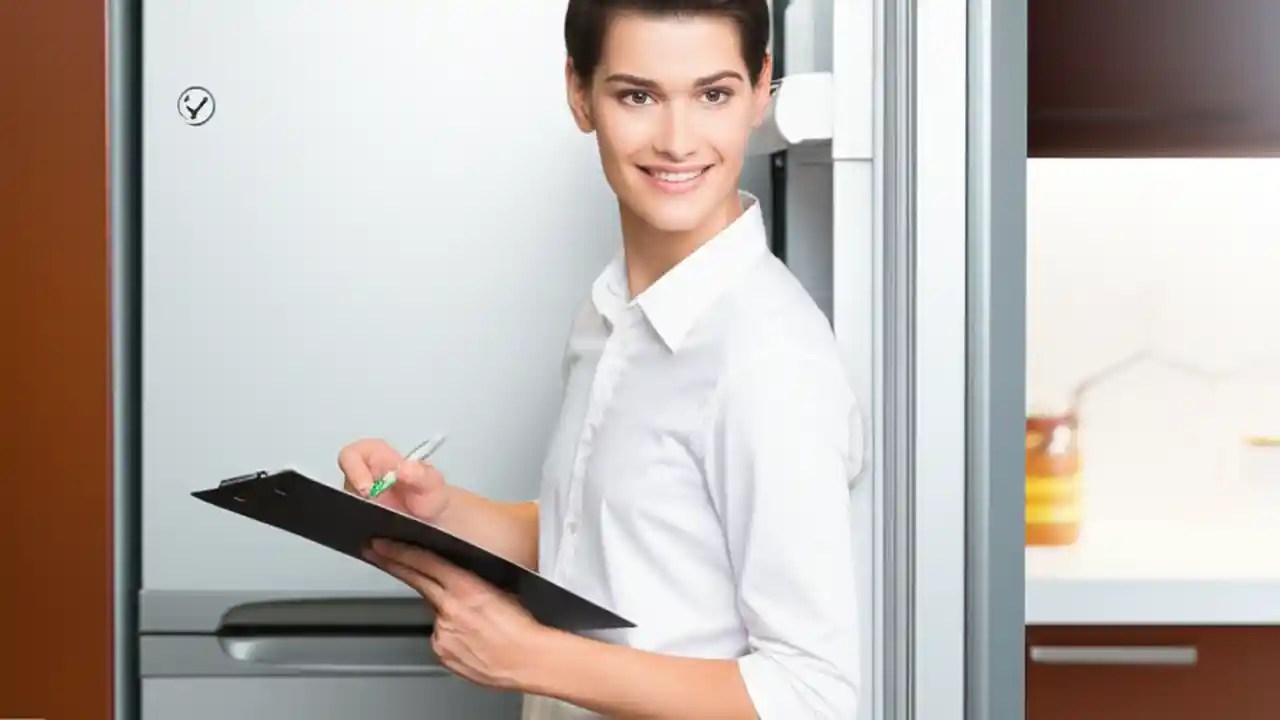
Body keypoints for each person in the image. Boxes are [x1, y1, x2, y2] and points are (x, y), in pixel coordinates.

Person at [339, 1, 862, 717]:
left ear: (760, 89)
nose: (678, 141)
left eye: (713, 94)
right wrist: (440, 511)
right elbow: (605, 538)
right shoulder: (611, 310)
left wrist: (531, 657)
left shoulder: (769, 359)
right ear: (580, 94)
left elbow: (813, 695)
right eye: (637, 95)